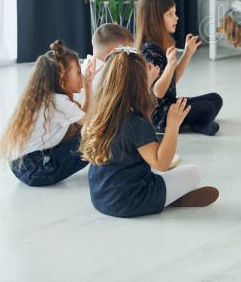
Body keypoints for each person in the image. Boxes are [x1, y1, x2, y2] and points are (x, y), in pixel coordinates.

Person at [81, 47, 218, 217]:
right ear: (138, 83)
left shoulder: (101, 112)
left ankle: (167, 196)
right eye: (147, 69)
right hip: (131, 201)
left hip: (101, 198)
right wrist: (173, 125)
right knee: (193, 173)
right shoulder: (135, 123)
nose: (152, 68)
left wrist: (149, 80)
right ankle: (166, 199)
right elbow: (161, 163)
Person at [0, 40, 95, 186]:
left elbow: (81, 117)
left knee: (82, 132)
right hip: (36, 169)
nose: (82, 76)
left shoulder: (45, 97)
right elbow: (91, 124)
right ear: (61, 78)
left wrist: (87, 85)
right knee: (96, 138)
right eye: (78, 72)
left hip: (20, 165)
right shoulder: (59, 102)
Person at [135, 0, 223, 135]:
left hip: (169, 105)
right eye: (170, 14)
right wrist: (170, 65)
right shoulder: (151, 51)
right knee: (207, 107)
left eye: (174, 13)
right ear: (155, 19)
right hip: (160, 117)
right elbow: (157, 92)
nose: (176, 18)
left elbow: (172, 81)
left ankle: (197, 123)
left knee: (215, 99)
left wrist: (187, 53)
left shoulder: (157, 45)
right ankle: (196, 124)